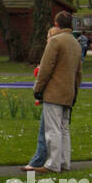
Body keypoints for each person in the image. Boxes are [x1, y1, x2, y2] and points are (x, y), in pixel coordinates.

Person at [32, 11, 82, 174]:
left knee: (52, 128)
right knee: (64, 129)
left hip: (54, 92)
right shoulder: (75, 43)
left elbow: (46, 68)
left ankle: (52, 164)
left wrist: (38, 88)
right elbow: (78, 72)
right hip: (69, 91)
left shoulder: (55, 41)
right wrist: (75, 91)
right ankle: (64, 162)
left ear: (56, 24)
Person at [23, 27, 58, 172]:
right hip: (60, 95)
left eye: (48, 36)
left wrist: (37, 88)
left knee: (46, 129)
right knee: (56, 129)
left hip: (52, 95)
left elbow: (45, 71)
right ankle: (53, 160)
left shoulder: (53, 49)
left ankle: (39, 161)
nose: (47, 39)